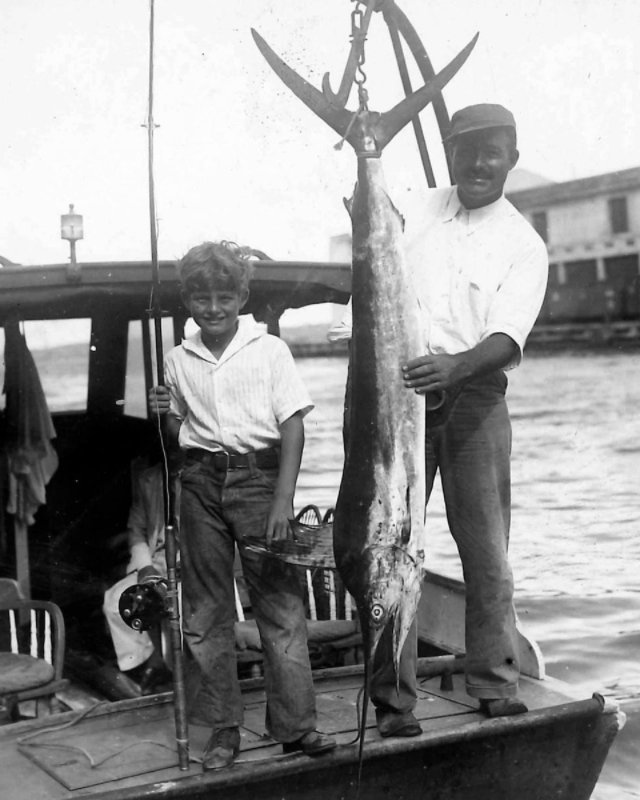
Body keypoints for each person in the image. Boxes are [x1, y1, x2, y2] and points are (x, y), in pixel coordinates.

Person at [330, 104, 549, 735]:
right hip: (395, 397)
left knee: (487, 556)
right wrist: (364, 154)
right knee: (383, 547)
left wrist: (455, 368)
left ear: (512, 155)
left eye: (493, 151)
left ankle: (494, 682)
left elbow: (507, 339)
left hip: (474, 401)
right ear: (450, 153)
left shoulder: (522, 243)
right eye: (467, 150)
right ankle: (394, 704)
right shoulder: (412, 209)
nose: (479, 163)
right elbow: (366, 289)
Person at [149, 241, 336, 770]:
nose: (213, 308)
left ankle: (297, 728)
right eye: (202, 298)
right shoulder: (177, 360)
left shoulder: (269, 350)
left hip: (260, 483)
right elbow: (178, 433)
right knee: (206, 614)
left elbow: (293, 425)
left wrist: (283, 501)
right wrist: (164, 411)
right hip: (200, 485)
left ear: (241, 297)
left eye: (224, 297)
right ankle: (224, 730)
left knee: (279, 608)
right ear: (188, 301)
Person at [102, 457, 177, 695]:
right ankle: (150, 662)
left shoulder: (200, 475)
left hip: (193, 566)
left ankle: (179, 670)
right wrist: (146, 568)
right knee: (116, 601)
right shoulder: (150, 478)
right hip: (157, 564)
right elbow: (137, 530)